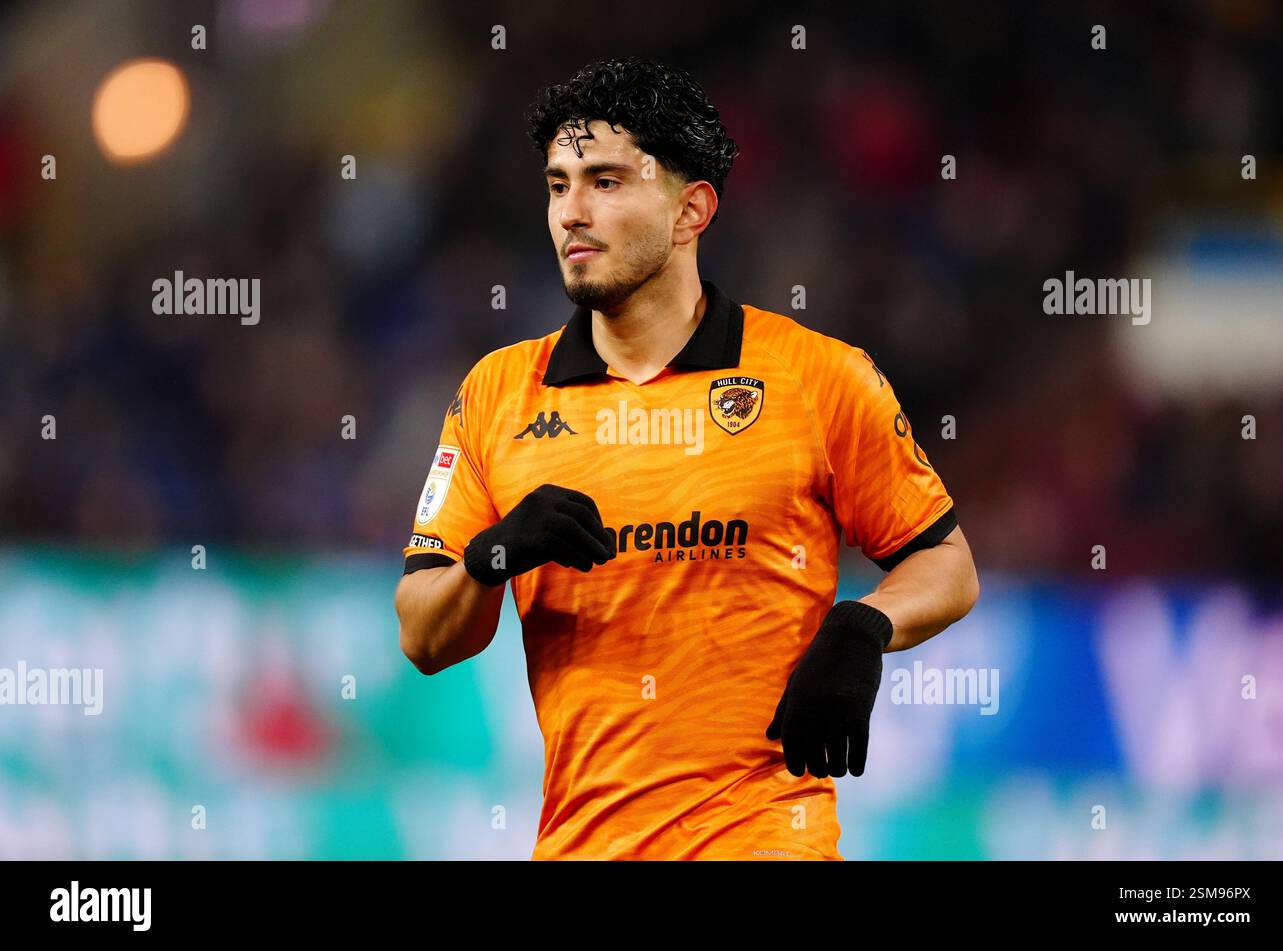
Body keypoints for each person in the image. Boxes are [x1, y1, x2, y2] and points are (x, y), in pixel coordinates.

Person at [394, 57, 979, 860]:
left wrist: (862, 625)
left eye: (605, 181)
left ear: (689, 210)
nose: (572, 211)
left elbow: (946, 563)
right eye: (558, 184)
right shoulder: (498, 391)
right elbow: (425, 637)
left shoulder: (817, 375)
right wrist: (492, 556)